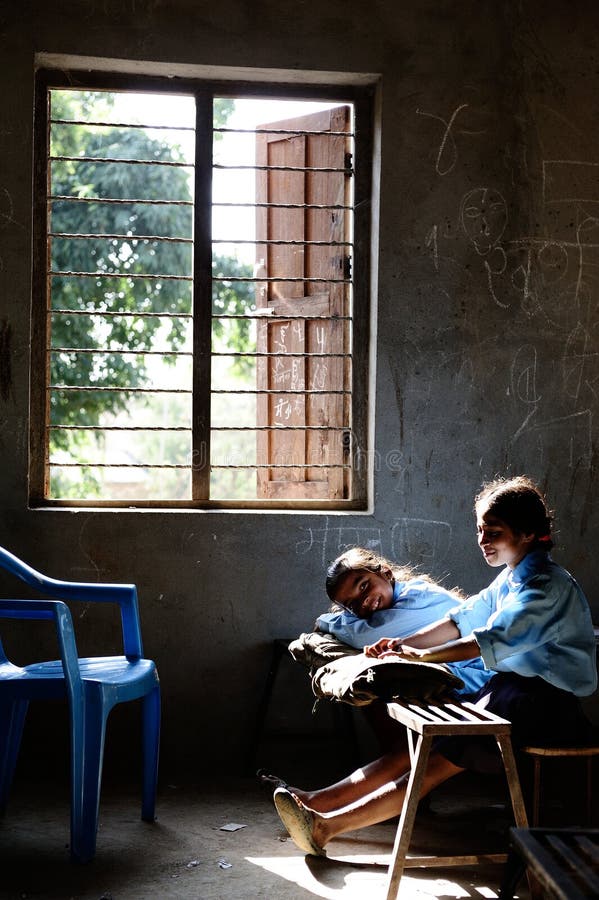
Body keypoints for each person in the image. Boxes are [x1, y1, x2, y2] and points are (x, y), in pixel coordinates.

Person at [271, 475, 598, 857]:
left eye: (493, 531)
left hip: (544, 707)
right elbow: (460, 620)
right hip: (509, 694)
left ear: (526, 533)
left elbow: (482, 641)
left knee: (428, 766)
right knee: (419, 752)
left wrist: (422, 656)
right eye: (479, 530)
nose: (482, 540)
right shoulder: (509, 580)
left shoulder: (546, 587)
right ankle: (319, 804)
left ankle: (327, 826)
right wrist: (399, 646)